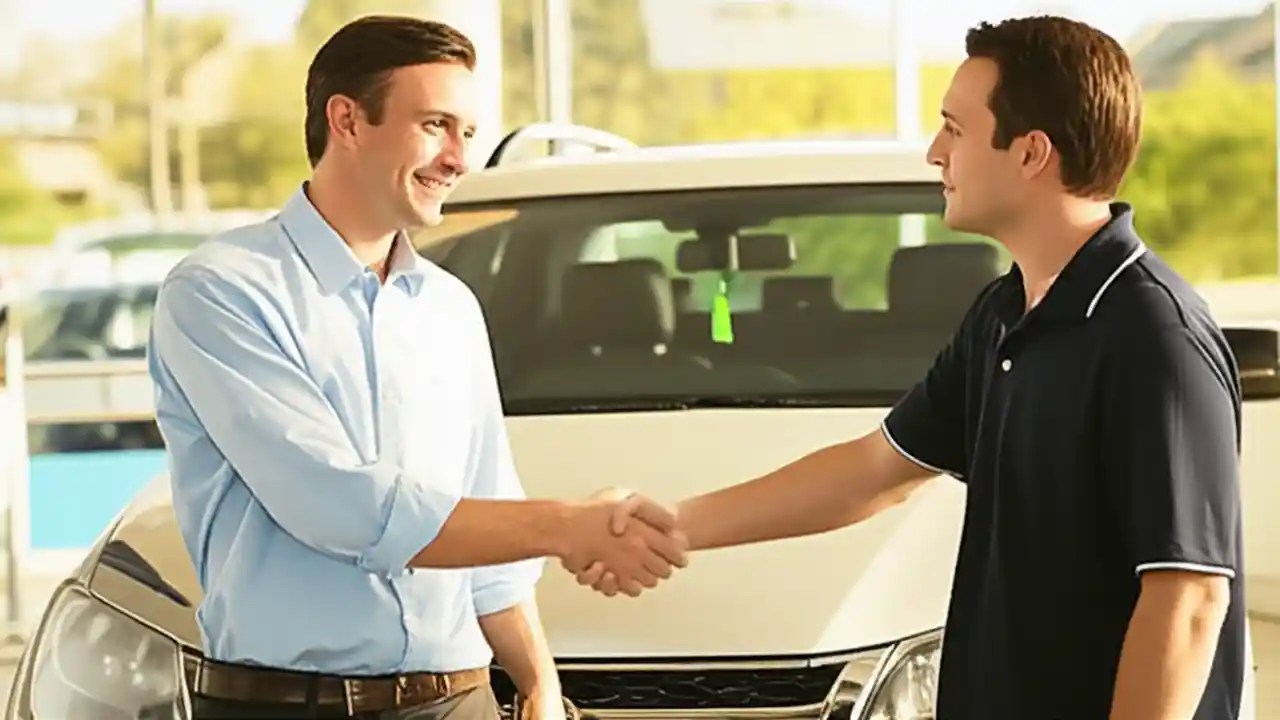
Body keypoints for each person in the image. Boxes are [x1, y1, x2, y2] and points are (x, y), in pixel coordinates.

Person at [582, 15, 1246, 720]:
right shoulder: (1002, 314)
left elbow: (1190, 596)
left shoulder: (1153, 336)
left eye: (954, 129)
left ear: (1030, 153)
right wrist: (677, 525)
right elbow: (872, 471)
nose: (935, 153)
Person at [147, 15, 685, 720]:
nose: (459, 157)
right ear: (347, 120)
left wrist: (539, 684)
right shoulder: (221, 291)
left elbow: (485, 505)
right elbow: (338, 505)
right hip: (288, 706)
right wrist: (567, 524)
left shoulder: (450, 307)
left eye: (466, 132)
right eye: (437, 124)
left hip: (459, 698)